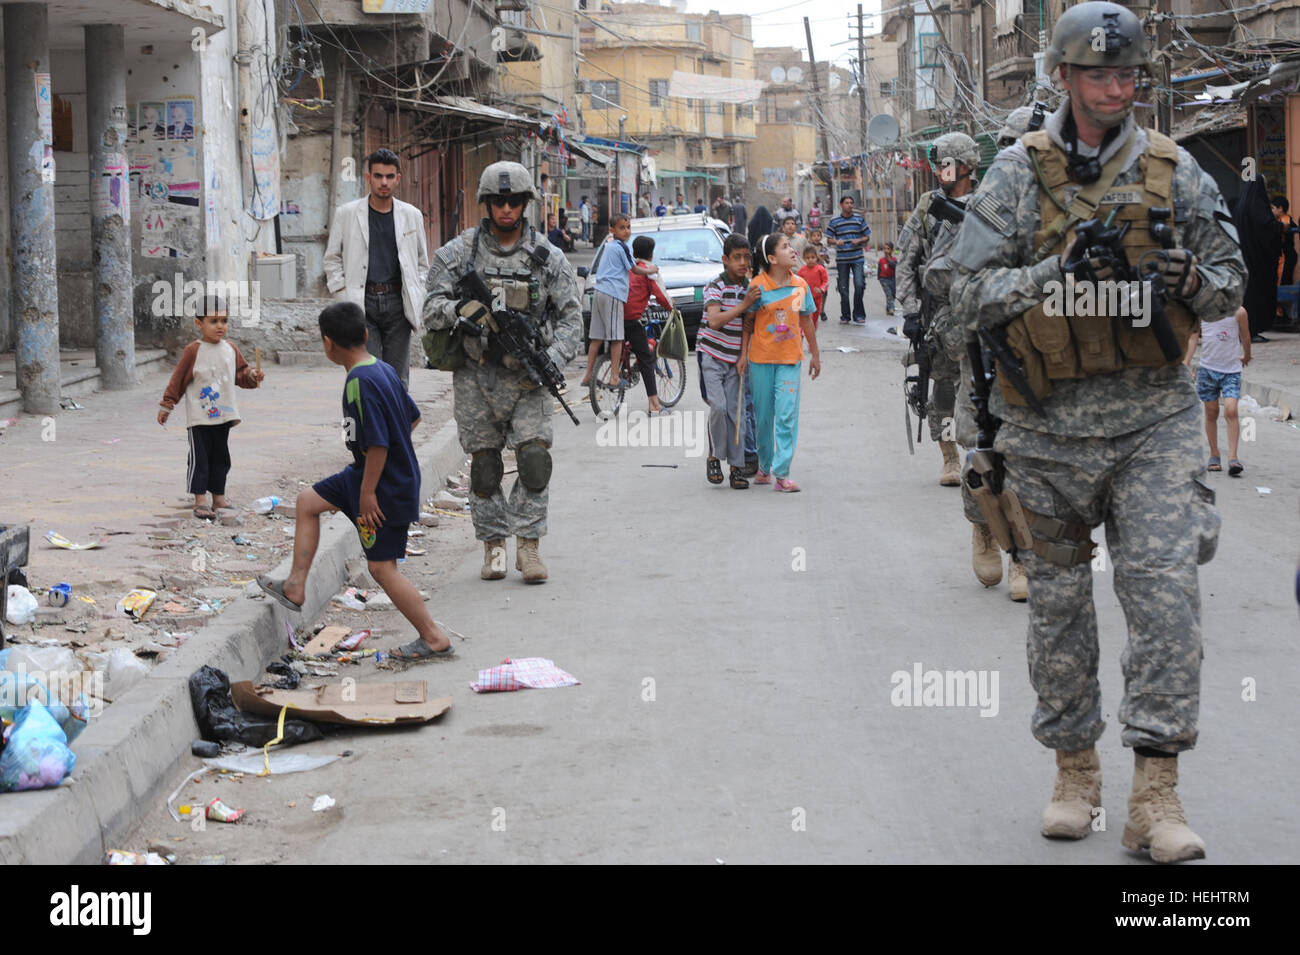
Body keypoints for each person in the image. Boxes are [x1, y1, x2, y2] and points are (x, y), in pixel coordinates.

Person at [948, 1, 1246, 862]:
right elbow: (961, 293)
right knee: (1059, 612)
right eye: (1097, 74)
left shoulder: (1175, 169)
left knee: (1166, 600)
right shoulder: (1015, 174)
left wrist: (1191, 274)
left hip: (1151, 421)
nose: (1114, 89)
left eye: (1126, 75)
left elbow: (1228, 280)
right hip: (1043, 431)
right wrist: (1055, 271)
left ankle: (1157, 795)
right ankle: (1074, 774)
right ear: (1064, 78)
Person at [257, 302, 457, 661]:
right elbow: (412, 419)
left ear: (327, 344)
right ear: (366, 335)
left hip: (381, 486)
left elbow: (379, 443)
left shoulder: (359, 384)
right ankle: (295, 586)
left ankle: (433, 637)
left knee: (381, 568)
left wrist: (368, 493)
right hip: (367, 474)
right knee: (307, 502)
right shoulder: (382, 370)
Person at [422, 161, 584, 583]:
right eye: (498, 201)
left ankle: (529, 547)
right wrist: (460, 310)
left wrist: (554, 359)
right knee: (485, 466)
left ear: (526, 204)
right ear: (486, 204)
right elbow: (430, 310)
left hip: (528, 379)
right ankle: (493, 544)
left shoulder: (548, 259)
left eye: (514, 201)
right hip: (478, 377)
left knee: (533, 461)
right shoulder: (459, 253)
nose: (506, 209)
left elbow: (572, 320)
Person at [918, 132, 1028, 598]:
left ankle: (1022, 555)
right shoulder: (981, 210)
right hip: (982, 352)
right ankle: (982, 526)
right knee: (980, 450)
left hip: (1036, 354)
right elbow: (934, 271)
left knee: (1028, 458)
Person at [899, 133, 980, 494]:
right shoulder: (927, 206)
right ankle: (949, 456)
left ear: (965, 166)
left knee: (979, 385)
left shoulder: (989, 201)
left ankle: (977, 453)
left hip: (978, 308)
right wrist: (911, 310)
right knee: (943, 388)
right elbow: (907, 258)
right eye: (937, 165)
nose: (938, 171)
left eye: (944, 164)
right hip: (938, 312)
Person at [323, 148, 429, 388]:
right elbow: (332, 259)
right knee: (366, 373)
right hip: (363, 301)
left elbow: (422, 262)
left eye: (390, 176)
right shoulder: (347, 213)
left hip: (398, 303)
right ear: (368, 177)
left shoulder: (411, 215)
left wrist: (418, 289)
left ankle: (398, 425)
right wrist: (343, 295)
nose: (384, 182)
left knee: (397, 377)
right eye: (378, 175)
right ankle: (371, 425)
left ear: (398, 179)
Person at [158, 300, 264, 519]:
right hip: (199, 417)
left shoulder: (231, 349)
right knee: (200, 459)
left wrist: (253, 377)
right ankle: (200, 500)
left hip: (224, 415)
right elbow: (177, 381)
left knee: (221, 458)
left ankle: (219, 498)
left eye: (224, 321)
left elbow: (242, 374)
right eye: (213, 321)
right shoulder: (193, 351)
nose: (220, 326)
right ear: (199, 323)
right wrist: (167, 405)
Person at [741, 232, 821, 492]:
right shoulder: (757, 286)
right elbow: (749, 323)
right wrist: (743, 355)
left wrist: (815, 354)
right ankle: (764, 467)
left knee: (786, 416)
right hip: (761, 361)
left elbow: (805, 319)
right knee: (763, 418)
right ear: (772, 258)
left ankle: (782, 473)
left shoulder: (800, 286)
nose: (793, 250)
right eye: (786, 247)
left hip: (789, 359)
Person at [701, 234, 763, 489]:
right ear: (725, 260)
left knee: (736, 411)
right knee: (718, 407)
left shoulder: (750, 287)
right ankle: (715, 456)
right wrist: (744, 304)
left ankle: (737, 467)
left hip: (735, 359)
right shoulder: (715, 286)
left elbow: (748, 324)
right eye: (736, 257)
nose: (742, 262)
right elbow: (715, 320)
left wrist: (743, 355)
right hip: (712, 356)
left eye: (746, 257)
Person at [582, 213, 658, 391]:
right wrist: (651, 269)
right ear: (612, 230)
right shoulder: (622, 247)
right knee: (617, 338)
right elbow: (635, 269)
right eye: (622, 228)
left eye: (628, 227)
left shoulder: (609, 246)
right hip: (613, 295)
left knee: (596, 338)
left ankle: (587, 375)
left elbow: (628, 264)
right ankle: (615, 377)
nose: (626, 231)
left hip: (599, 293)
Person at [1185, 305, 1250, 476]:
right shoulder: (1202, 312)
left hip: (1232, 371)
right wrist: (1187, 362)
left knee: (1231, 409)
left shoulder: (1239, 312)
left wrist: (1247, 355)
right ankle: (1214, 454)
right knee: (1211, 412)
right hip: (1207, 370)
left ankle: (1233, 457)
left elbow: (1245, 336)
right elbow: (1193, 338)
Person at [625, 235, 674, 415]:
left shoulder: (629, 266)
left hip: (615, 314)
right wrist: (671, 306)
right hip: (632, 317)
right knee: (647, 358)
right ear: (651, 254)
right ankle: (654, 405)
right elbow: (661, 295)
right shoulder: (648, 270)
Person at [1233, 176, 1278, 343]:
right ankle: (1251, 331)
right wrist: (1280, 227)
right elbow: (1266, 228)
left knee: (1246, 296)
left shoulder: (1241, 205)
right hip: (1256, 262)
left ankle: (1244, 331)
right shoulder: (1257, 205)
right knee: (1255, 297)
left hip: (1243, 259)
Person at [826, 195, 870, 324]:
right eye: (847, 203)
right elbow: (828, 239)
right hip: (842, 259)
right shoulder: (834, 221)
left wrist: (859, 240)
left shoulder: (859, 219)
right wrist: (836, 241)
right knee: (843, 288)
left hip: (857, 258)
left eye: (851, 203)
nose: (849, 205)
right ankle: (845, 315)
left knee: (859, 285)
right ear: (841, 205)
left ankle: (859, 314)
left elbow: (867, 236)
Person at [797, 245, 829, 323]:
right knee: (807, 317)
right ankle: (803, 332)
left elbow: (826, 281)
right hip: (806, 298)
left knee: (815, 319)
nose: (810, 260)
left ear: (816, 257)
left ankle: (812, 333)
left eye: (812, 257)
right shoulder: (802, 270)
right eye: (807, 258)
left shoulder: (820, 269)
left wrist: (821, 289)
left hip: (817, 299)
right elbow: (797, 281)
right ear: (804, 259)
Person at [1273, 195, 1298, 287]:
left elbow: (1288, 226)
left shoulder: (1285, 220)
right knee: (1286, 279)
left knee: (1283, 280)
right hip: (1288, 255)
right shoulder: (1283, 219)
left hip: (1286, 256)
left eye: (1273, 208)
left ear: (1280, 209)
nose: (1272, 211)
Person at [877, 242, 897, 316]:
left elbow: (894, 267)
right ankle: (891, 308)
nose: (886, 251)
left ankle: (888, 308)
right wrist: (879, 278)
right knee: (889, 294)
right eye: (884, 249)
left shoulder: (894, 259)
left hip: (892, 278)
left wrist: (889, 260)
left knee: (893, 294)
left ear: (891, 250)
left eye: (888, 249)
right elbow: (879, 270)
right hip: (884, 279)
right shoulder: (881, 260)